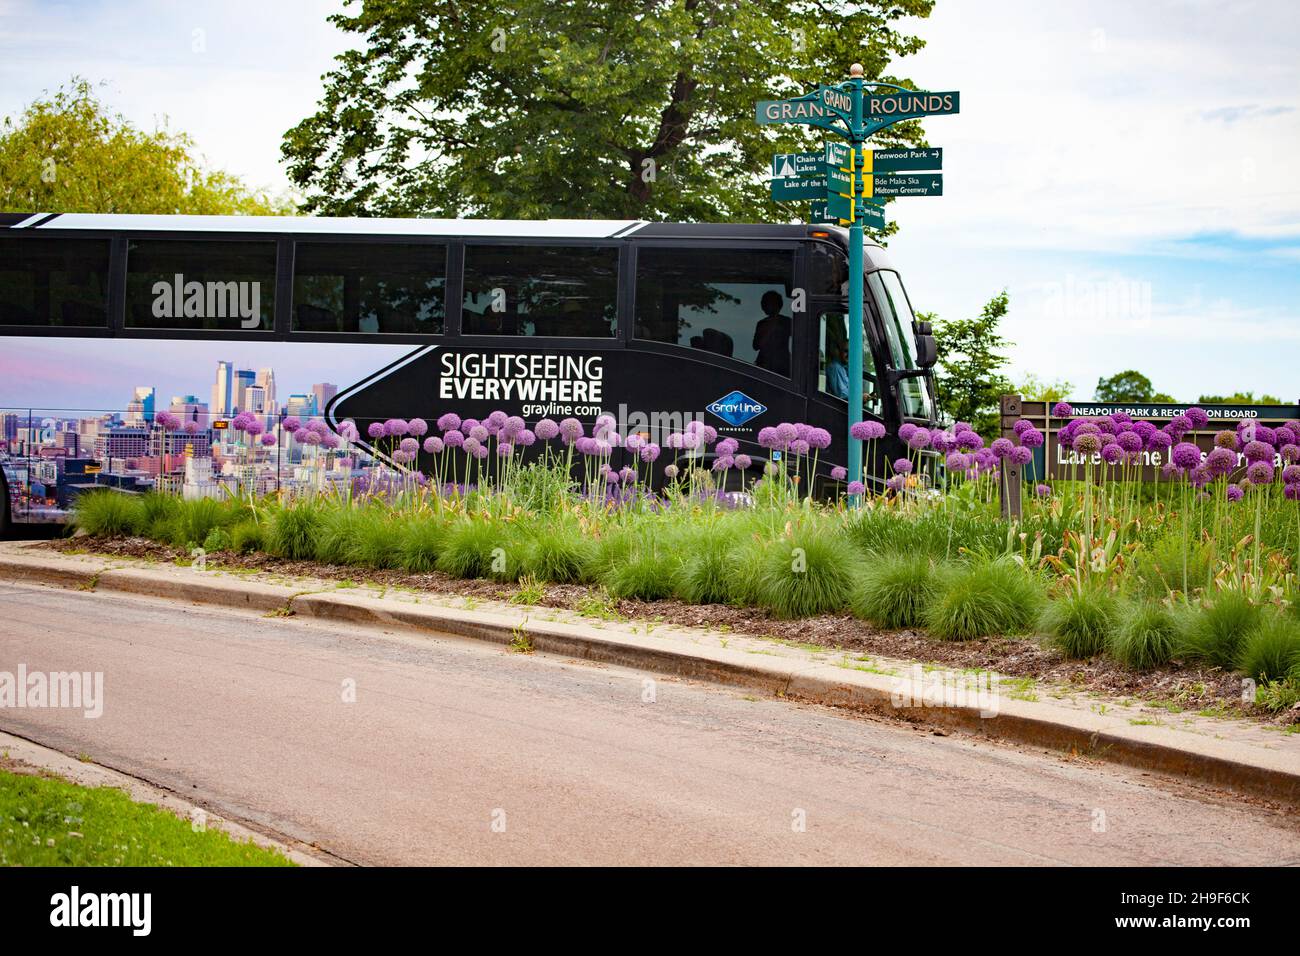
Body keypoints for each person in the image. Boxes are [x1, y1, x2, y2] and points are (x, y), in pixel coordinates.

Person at [752, 290, 791, 375]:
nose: (767, 307)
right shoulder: (762, 324)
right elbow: (756, 346)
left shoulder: (786, 322)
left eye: (770, 304)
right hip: (765, 365)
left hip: (782, 366)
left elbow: (800, 339)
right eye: (766, 304)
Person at [824, 317, 849, 399]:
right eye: (846, 351)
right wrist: (860, 397)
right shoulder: (835, 367)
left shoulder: (843, 367)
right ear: (838, 351)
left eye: (851, 352)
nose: (848, 355)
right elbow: (841, 394)